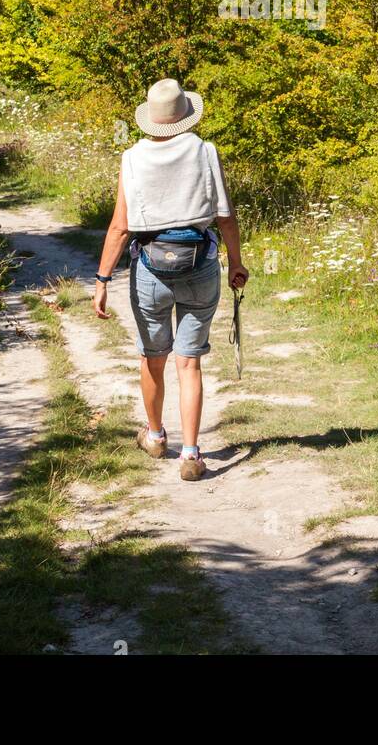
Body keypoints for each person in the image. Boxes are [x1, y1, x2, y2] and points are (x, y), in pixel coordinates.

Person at [93, 78, 248, 481]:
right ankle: (192, 455)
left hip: (150, 268)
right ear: (185, 116)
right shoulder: (205, 151)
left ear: (152, 121)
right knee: (189, 362)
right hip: (198, 264)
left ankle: (157, 435)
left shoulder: (131, 158)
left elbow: (119, 228)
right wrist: (236, 262)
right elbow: (225, 216)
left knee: (152, 356)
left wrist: (102, 278)